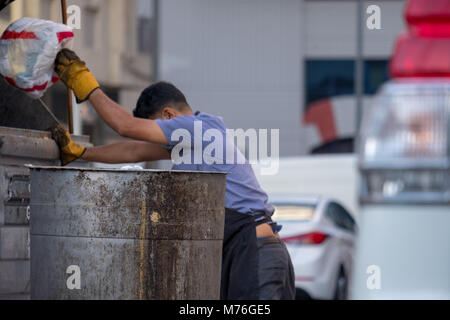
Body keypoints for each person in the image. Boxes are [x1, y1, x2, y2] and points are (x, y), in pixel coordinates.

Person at [51, 48, 295, 300]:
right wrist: (82, 153)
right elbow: (134, 150)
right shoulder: (193, 143)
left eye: (159, 128)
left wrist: (83, 81)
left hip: (256, 254)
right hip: (244, 252)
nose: (160, 136)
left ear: (169, 115)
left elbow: (125, 127)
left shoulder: (198, 128)